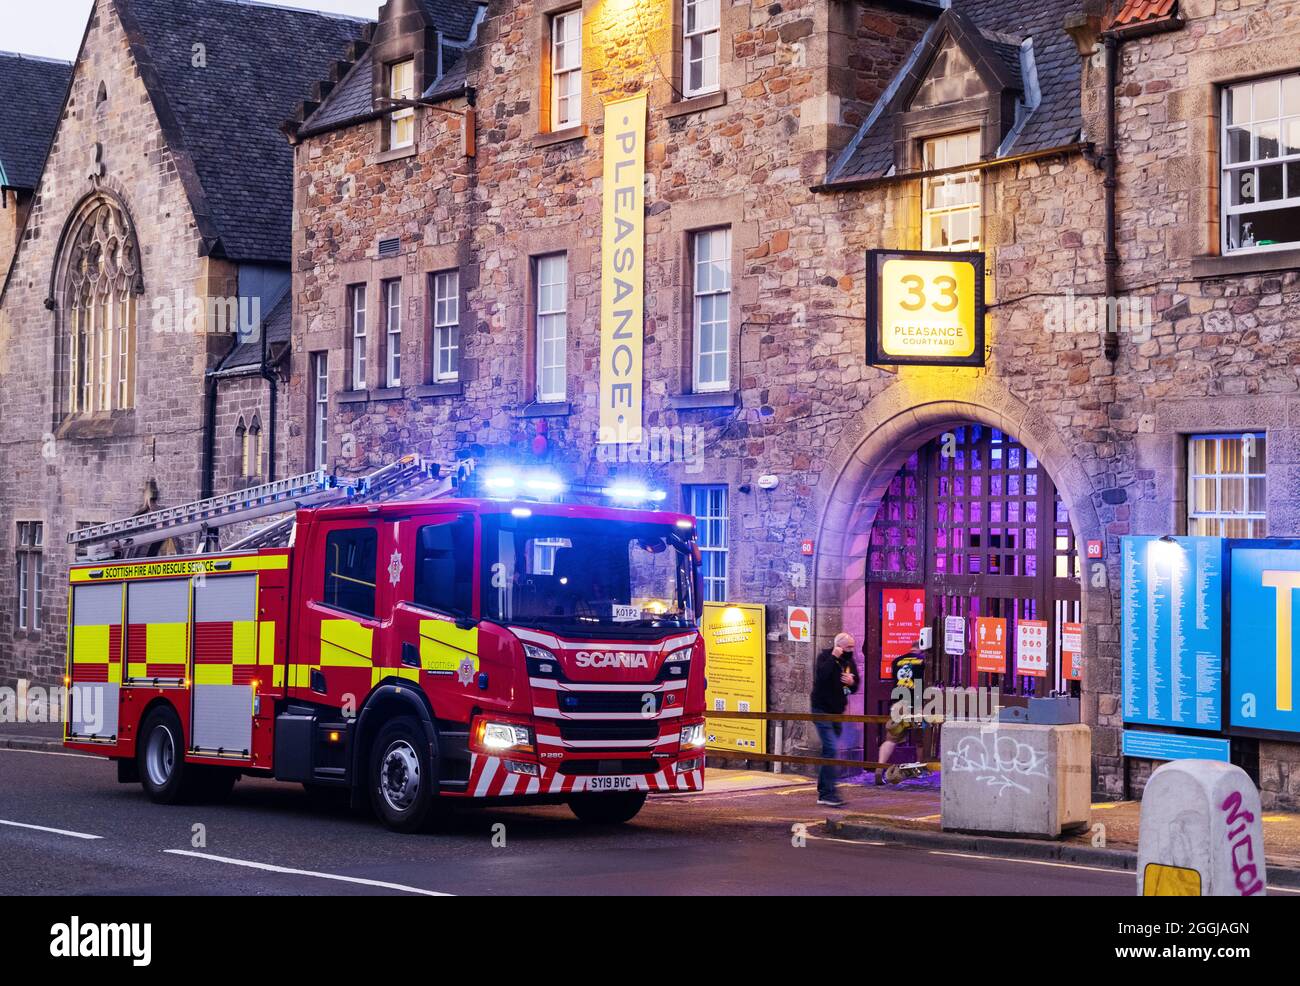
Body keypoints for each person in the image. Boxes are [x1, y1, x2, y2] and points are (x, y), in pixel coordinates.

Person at [810, 631, 861, 807]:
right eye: (849, 647)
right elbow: (822, 677)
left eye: (853, 647)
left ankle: (824, 791)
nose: (852, 650)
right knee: (831, 749)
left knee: (829, 751)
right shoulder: (824, 657)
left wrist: (852, 682)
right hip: (821, 709)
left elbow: (856, 685)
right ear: (838, 646)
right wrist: (833, 658)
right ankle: (828, 793)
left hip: (837, 711)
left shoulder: (849, 661)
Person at [877, 637, 926, 785]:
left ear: (911, 648)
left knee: (890, 740)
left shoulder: (896, 661)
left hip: (898, 705)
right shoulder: (924, 662)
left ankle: (879, 769)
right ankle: (918, 771)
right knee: (920, 741)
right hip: (917, 705)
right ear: (922, 649)